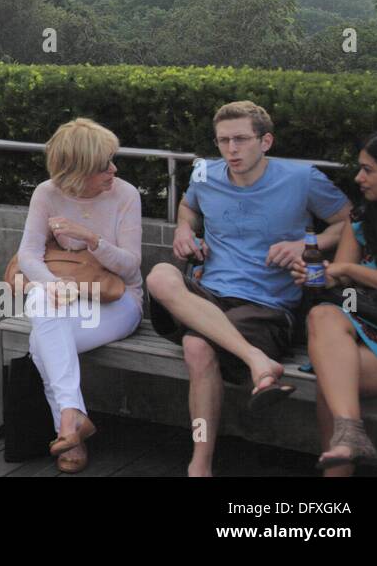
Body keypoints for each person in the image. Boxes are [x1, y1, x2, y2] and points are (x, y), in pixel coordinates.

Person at [146, 100, 352, 476]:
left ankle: (199, 465)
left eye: (241, 139)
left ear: (266, 141)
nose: (231, 150)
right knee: (160, 275)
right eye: (223, 141)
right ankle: (257, 361)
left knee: (196, 346)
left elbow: (347, 220)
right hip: (210, 294)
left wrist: (307, 245)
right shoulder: (205, 174)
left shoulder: (301, 178)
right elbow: (188, 208)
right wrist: (183, 230)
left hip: (267, 305)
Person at [16, 118, 144, 473]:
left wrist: (91, 239)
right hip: (66, 298)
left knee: (42, 341)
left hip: (118, 300)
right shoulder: (46, 192)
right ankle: (72, 423)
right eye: (104, 165)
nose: (113, 170)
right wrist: (52, 283)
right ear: (78, 170)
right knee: (42, 302)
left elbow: (132, 268)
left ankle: (69, 422)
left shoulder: (125, 194)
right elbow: (27, 254)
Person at [294, 128, 377, 474]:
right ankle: (349, 433)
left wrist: (350, 270)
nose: (359, 178)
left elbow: (350, 271)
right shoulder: (364, 218)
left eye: (368, 170)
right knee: (324, 314)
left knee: (331, 378)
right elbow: (344, 289)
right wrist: (324, 275)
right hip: (361, 320)